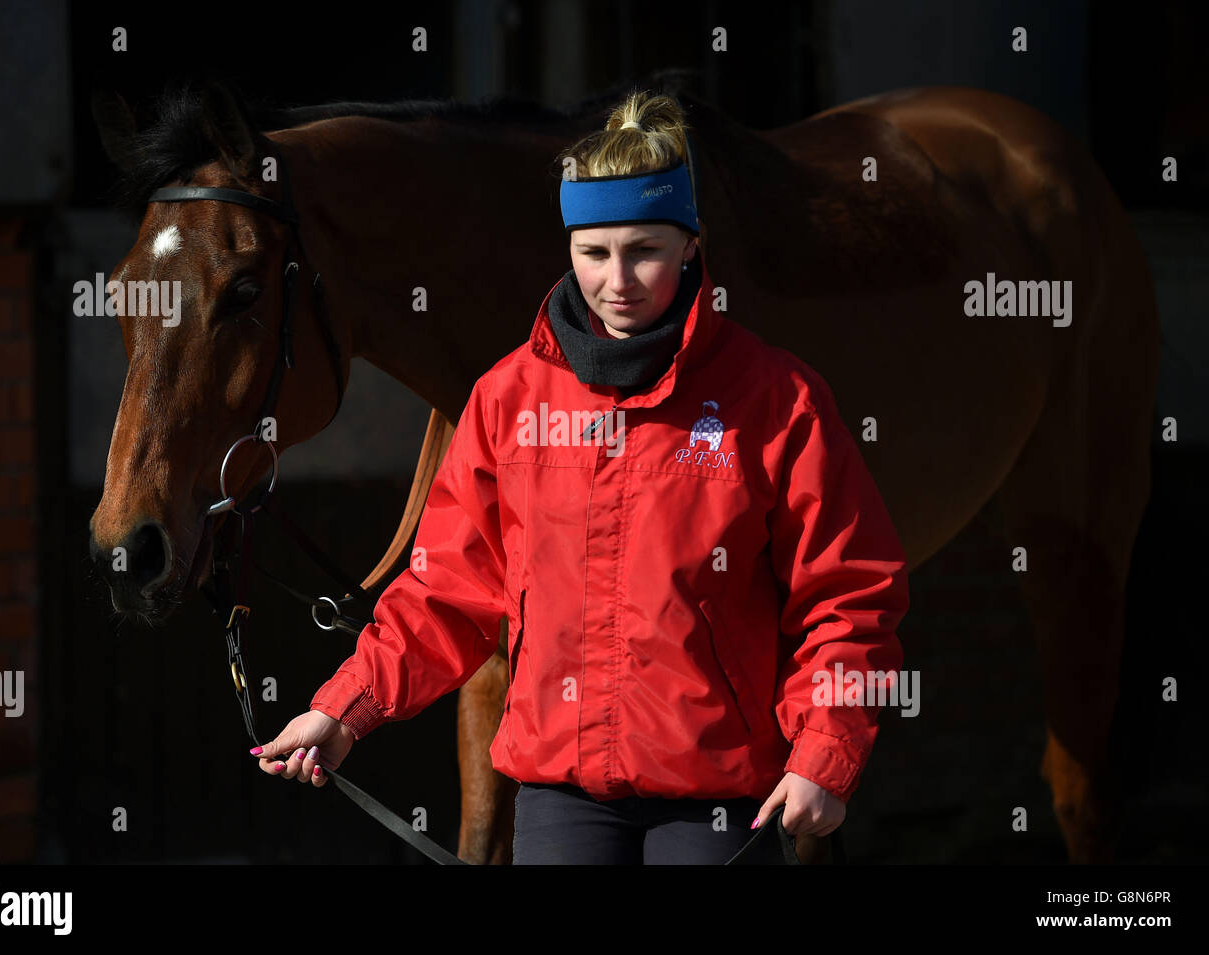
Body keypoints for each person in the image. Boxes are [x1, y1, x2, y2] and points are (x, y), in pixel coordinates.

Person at [248, 90, 910, 864]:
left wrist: (824, 754)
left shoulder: (776, 400)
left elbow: (848, 595)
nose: (618, 278)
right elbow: (445, 591)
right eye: (594, 251)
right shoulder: (506, 398)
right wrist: (346, 710)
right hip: (561, 800)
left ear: (692, 245)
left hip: (720, 802)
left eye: (645, 249)